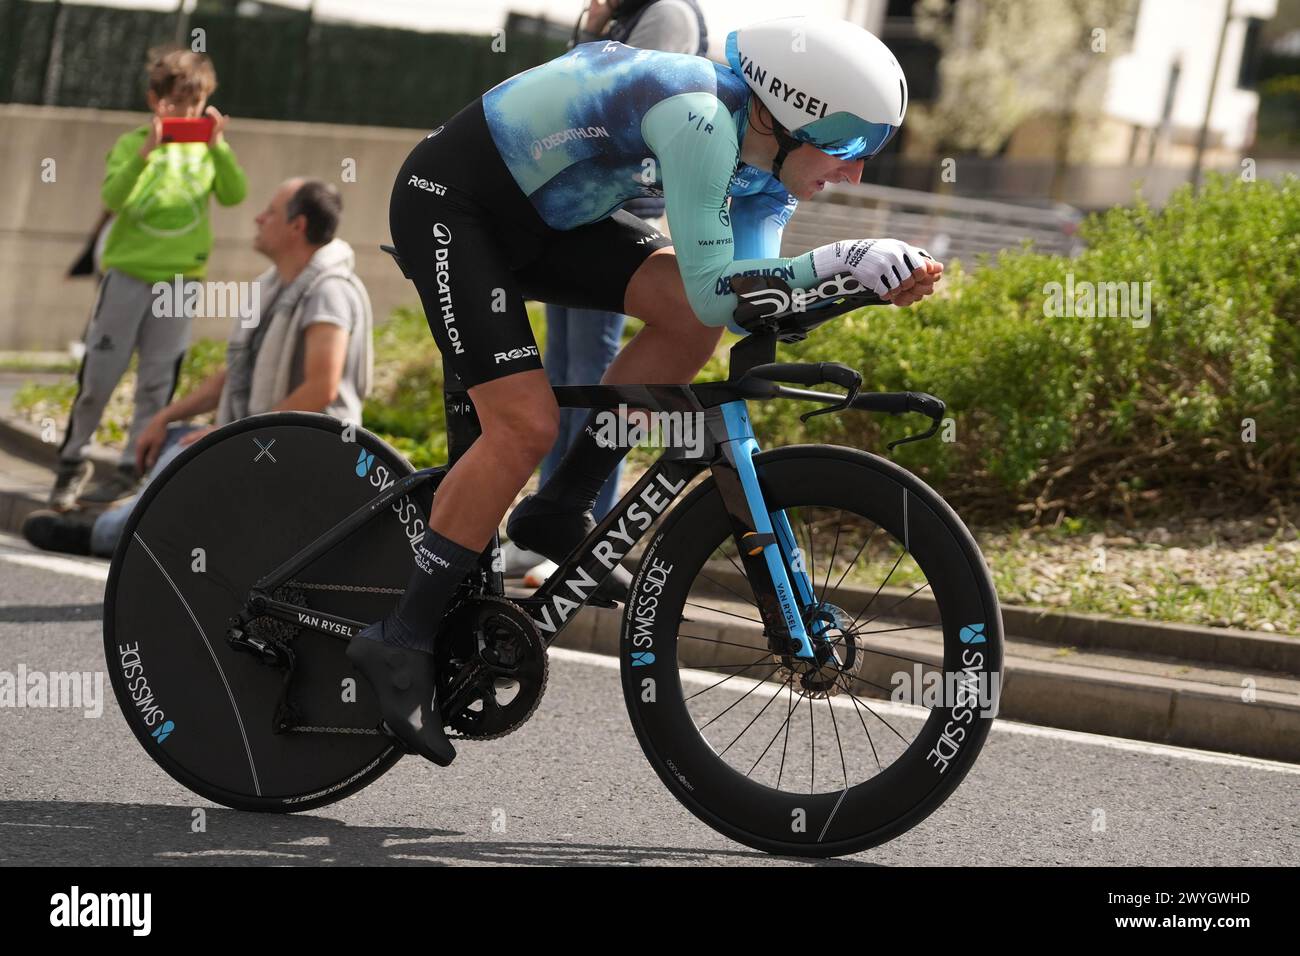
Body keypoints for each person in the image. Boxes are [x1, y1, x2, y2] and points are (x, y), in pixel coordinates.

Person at [352, 14, 943, 767]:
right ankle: (398, 638)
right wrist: (846, 259)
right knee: (522, 426)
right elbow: (716, 283)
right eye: (850, 144)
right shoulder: (697, 116)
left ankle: (559, 509)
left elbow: (742, 305)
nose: (857, 172)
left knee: (688, 326)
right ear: (788, 113)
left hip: (547, 220)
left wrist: (861, 287)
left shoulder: (766, 172)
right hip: (455, 206)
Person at [23, 179, 372, 558]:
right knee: (176, 438)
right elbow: (235, 372)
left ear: (296, 226)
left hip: (309, 454)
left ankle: (107, 536)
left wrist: (232, 435)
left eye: (269, 212)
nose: (258, 218)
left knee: (187, 454)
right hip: (269, 441)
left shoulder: (328, 291)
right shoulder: (275, 287)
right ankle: (137, 534)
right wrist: (165, 415)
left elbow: (322, 387)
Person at [502, 0, 711, 589]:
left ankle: (589, 523)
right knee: (568, 370)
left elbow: (616, 93)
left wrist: (596, 36)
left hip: (622, 210)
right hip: (580, 207)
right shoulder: (624, 13)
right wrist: (591, 28)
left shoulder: (667, 11)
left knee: (605, 376)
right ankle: (545, 519)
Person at [49, 45, 248, 512]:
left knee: (158, 381)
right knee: (100, 375)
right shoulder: (131, 145)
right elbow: (115, 198)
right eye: (175, 102)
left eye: (194, 104)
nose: (185, 112)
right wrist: (145, 152)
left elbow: (236, 193)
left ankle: (129, 469)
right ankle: (72, 460)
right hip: (127, 277)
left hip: (181, 281)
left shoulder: (209, 153)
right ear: (154, 100)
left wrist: (218, 147)